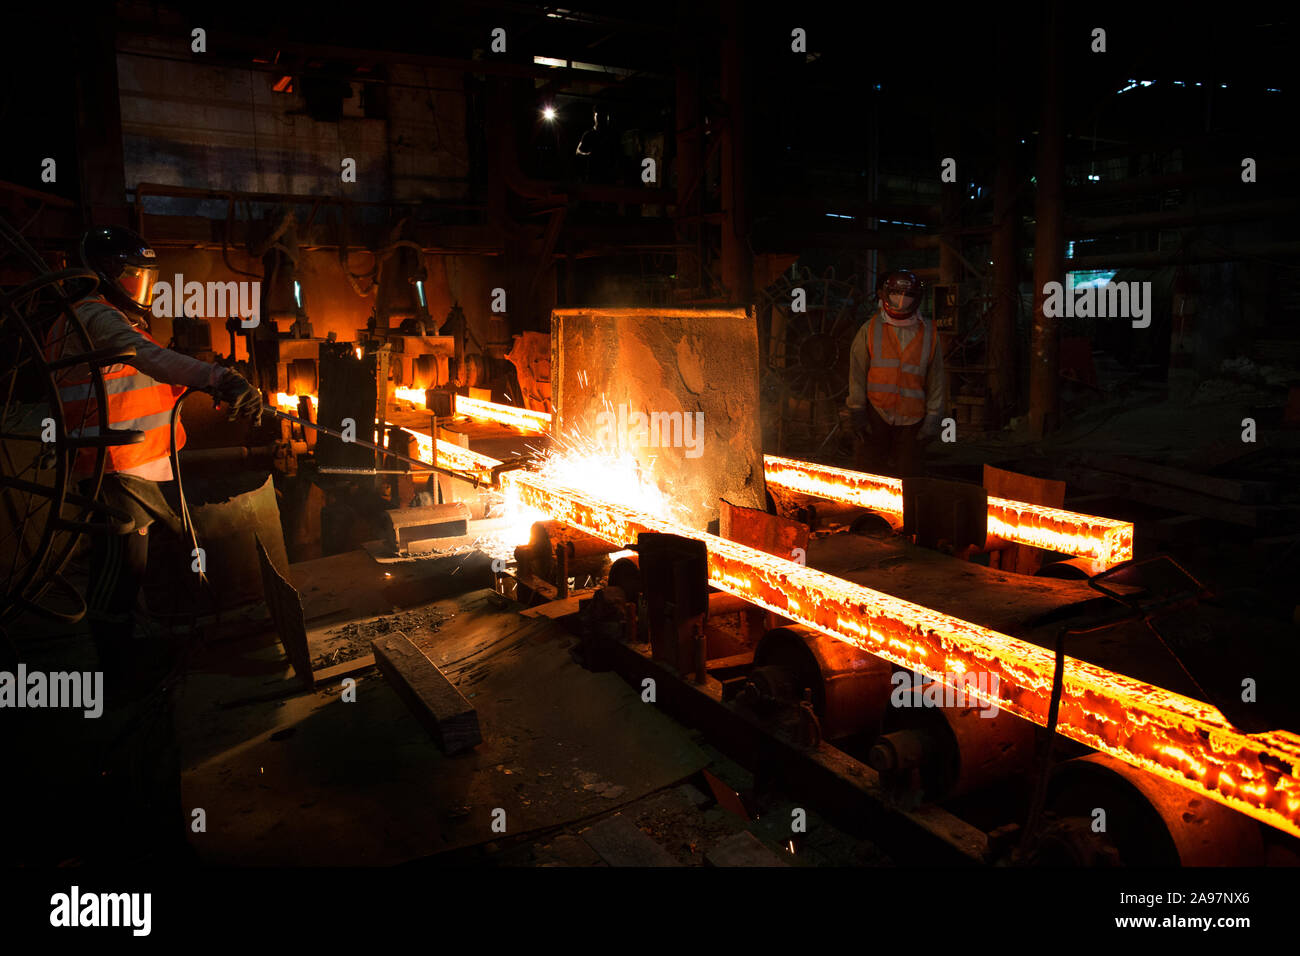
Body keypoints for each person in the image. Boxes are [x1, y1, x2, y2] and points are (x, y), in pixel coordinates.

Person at [45, 226, 262, 694]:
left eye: (146, 280)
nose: (140, 291)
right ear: (105, 275)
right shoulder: (91, 317)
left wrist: (198, 386)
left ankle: (126, 654)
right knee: (116, 573)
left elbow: (139, 379)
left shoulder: (108, 319)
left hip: (134, 465)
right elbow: (146, 358)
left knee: (131, 569)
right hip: (112, 467)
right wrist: (216, 377)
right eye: (133, 278)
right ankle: (114, 676)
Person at [841, 270, 947, 477]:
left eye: (907, 295)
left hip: (913, 421)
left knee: (909, 480)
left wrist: (934, 418)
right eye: (896, 294)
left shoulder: (929, 334)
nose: (901, 300)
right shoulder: (870, 329)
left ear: (916, 298)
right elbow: (857, 374)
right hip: (875, 415)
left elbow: (937, 381)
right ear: (885, 295)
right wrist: (857, 410)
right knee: (868, 477)